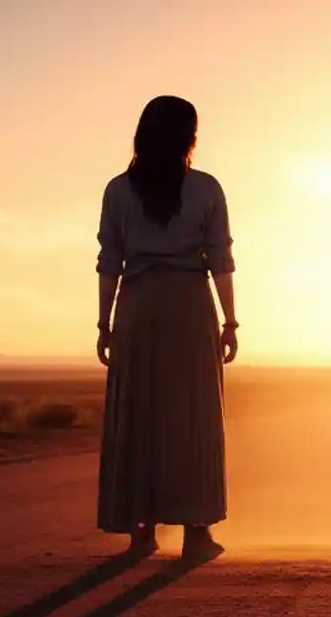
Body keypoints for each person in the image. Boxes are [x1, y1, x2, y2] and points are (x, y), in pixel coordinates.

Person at [95, 95, 238, 560]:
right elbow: (220, 258)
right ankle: (196, 531)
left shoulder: (118, 190)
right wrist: (231, 319)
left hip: (137, 306)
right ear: (188, 137)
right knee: (192, 416)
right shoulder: (207, 188)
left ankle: (141, 527)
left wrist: (104, 322)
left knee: (140, 414)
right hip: (190, 307)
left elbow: (109, 261)